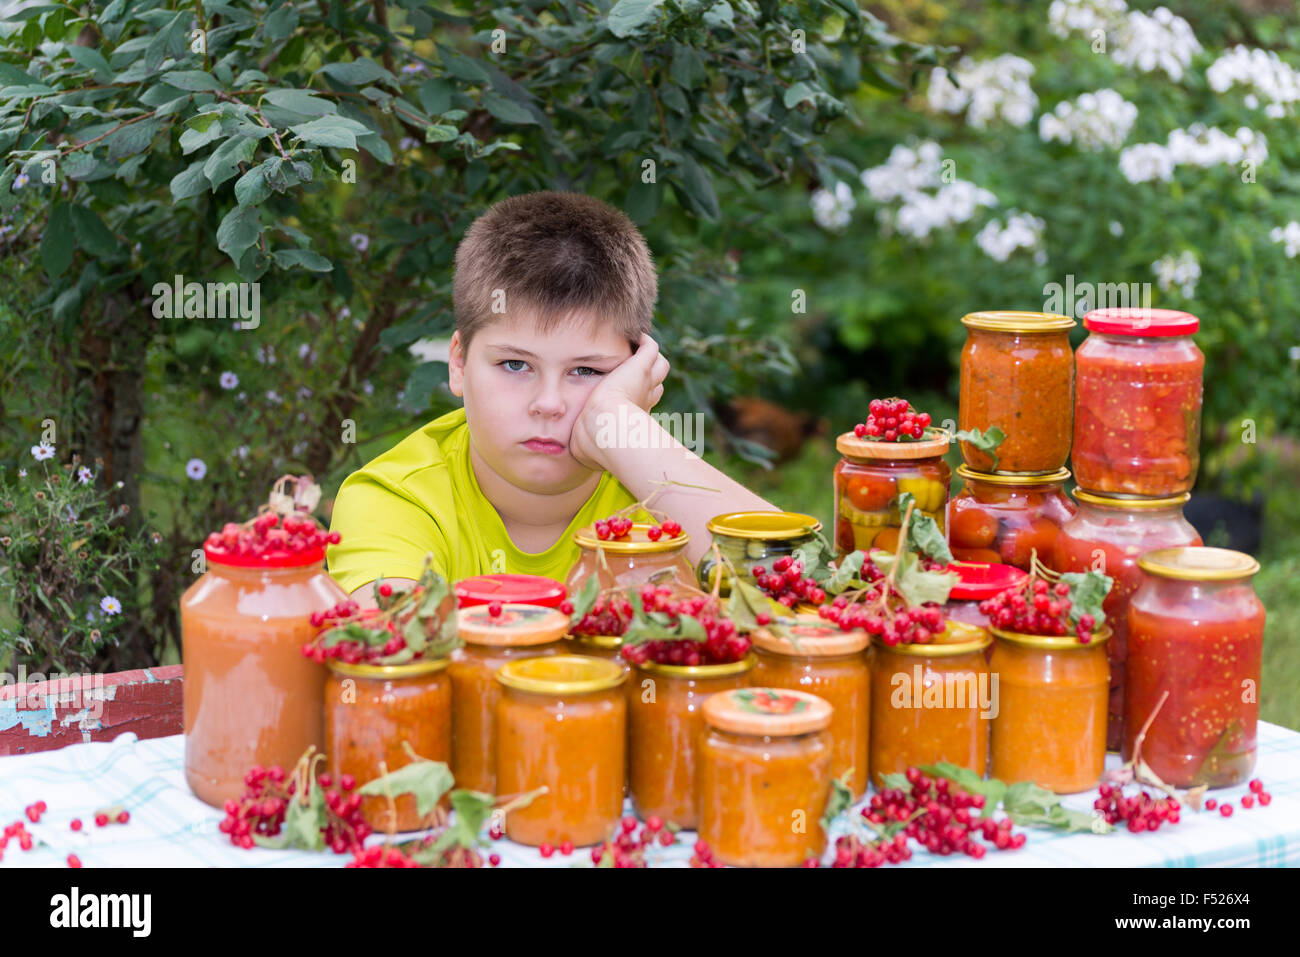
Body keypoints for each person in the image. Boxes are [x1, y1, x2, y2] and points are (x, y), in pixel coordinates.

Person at [327, 190, 778, 605]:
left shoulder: (662, 498)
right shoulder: (395, 499)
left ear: (637, 375)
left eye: (586, 371)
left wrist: (621, 428)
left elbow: (796, 597)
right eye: (515, 365)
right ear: (459, 364)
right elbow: (393, 651)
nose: (548, 403)